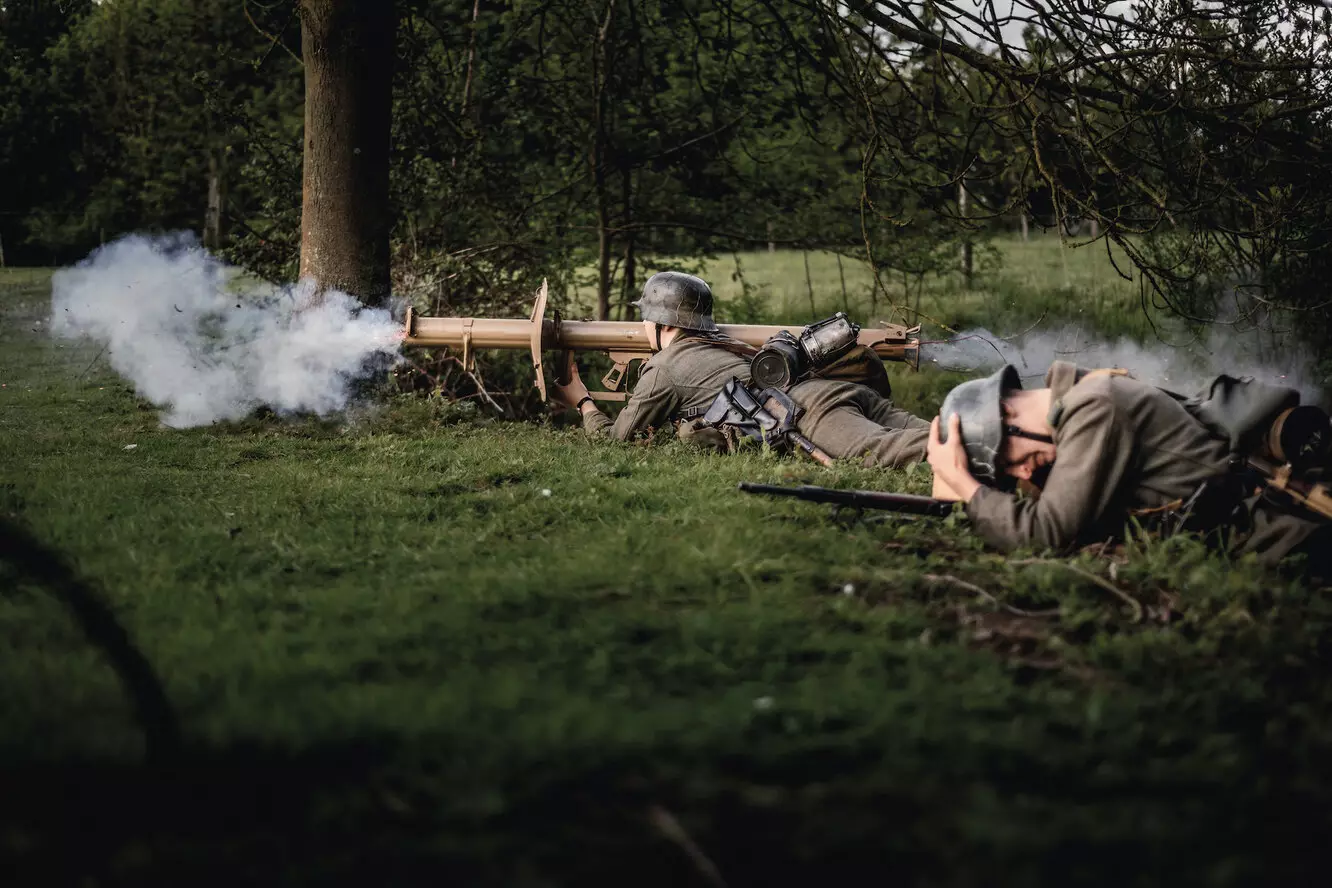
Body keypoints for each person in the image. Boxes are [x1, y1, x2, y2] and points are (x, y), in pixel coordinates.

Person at [925, 360, 1325, 568]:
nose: (1023, 474)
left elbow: (1046, 532)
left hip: (1284, 536)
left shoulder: (1092, 408)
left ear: (1008, 419)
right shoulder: (1082, 405)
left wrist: (965, 485)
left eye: (1007, 462)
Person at [550, 270, 931, 467]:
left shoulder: (664, 369)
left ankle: (988, 453)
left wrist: (582, 401)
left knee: (890, 452)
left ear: (657, 323)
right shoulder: (721, 344)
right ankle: (987, 425)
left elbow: (616, 440)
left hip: (809, 411)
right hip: (834, 391)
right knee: (933, 431)